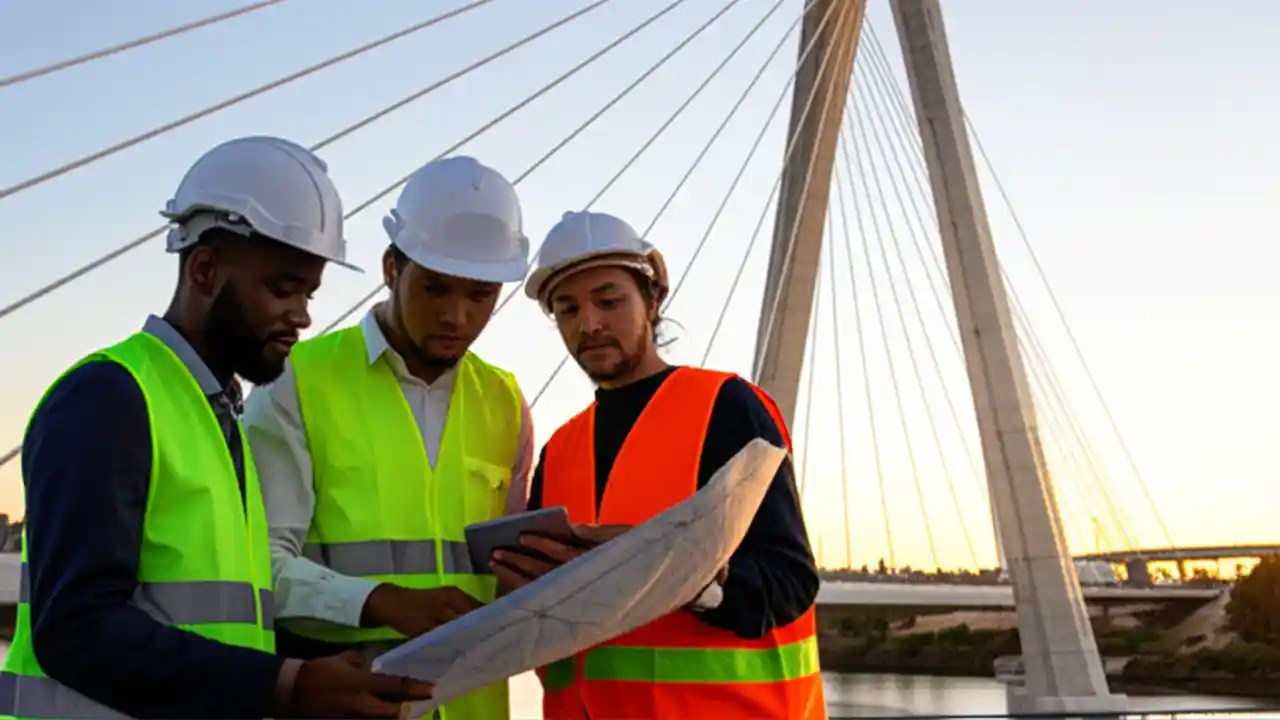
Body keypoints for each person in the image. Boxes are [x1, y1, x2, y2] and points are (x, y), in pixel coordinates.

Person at [2, 136, 434, 719]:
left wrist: (317, 677)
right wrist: (286, 685)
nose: (303, 314)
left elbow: (220, 627)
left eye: (309, 292)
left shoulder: (217, 416)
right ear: (205, 269)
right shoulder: (108, 397)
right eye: (282, 288)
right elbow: (76, 627)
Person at [491, 210, 828, 719]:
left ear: (652, 300)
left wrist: (664, 571)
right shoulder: (559, 448)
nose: (590, 323)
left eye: (609, 300)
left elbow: (790, 581)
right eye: (567, 309)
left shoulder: (727, 408)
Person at [243, 155, 534, 719]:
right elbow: (256, 569)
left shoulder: (505, 401)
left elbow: (509, 578)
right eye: (436, 288)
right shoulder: (297, 382)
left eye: (480, 296)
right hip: (347, 703)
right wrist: (381, 601)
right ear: (391, 268)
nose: (456, 315)